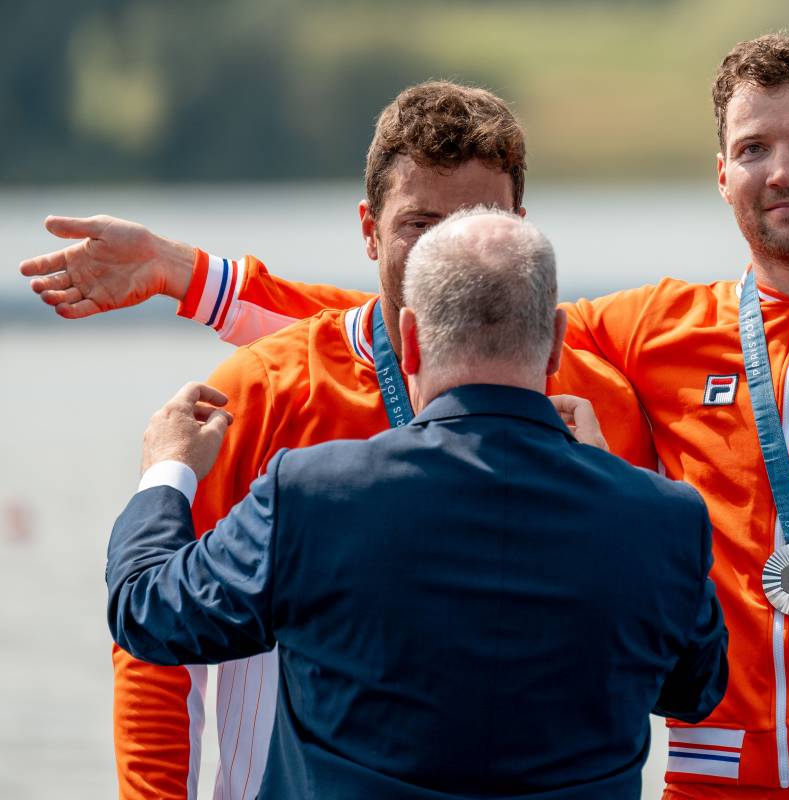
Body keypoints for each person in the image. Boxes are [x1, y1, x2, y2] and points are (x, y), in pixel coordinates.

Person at [20, 32, 789, 800]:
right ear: (721, 174)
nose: (783, 168)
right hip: (717, 775)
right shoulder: (650, 332)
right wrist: (199, 279)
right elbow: (452, 321)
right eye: (754, 147)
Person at [22, 81, 658, 800]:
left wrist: (195, 277)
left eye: (474, 222)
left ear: (519, 224)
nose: (446, 258)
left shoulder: (595, 406)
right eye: (419, 225)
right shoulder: (265, 390)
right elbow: (159, 646)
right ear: (369, 229)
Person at [107, 208, 728, 799]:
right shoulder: (661, 518)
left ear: (408, 340)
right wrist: (610, 480)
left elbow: (148, 610)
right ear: (558, 341)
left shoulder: (312, 495)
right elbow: (695, 687)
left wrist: (171, 469)